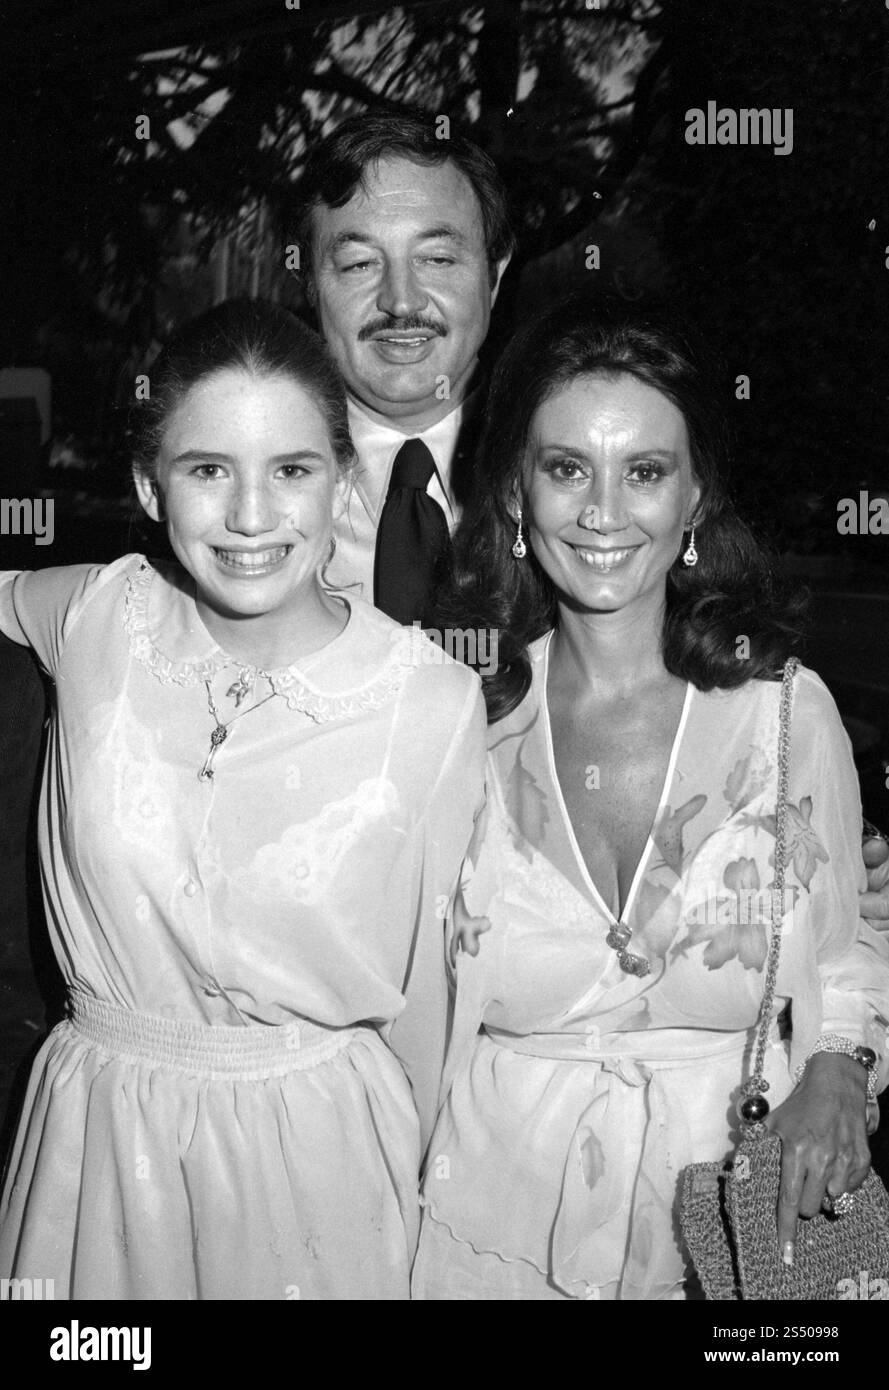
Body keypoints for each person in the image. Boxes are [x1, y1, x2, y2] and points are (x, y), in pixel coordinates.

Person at [0, 299, 485, 1300]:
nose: (252, 517)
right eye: (208, 469)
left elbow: (436, 1012)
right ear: (148, 484)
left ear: (342, 480)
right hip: (94, 1150)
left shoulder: (430, 702)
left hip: (318, 1166)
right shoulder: (98, 612)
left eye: (292, 470)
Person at [412, 299, 889, 1300]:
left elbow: (848, 948)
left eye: (643, 470)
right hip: (490, 1245)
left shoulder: (785, 716)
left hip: (742, 1249)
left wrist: (836, 1074)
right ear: (511, 494)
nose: (601, 511)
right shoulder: (448, 723)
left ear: (693, 497)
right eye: (565, 467)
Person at [294, 110, 514, 625]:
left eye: (436, 259)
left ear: (494, 277)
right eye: (359, 264)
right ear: (310, 287)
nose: (400, 300)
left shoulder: (572, 487)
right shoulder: (247, 502)